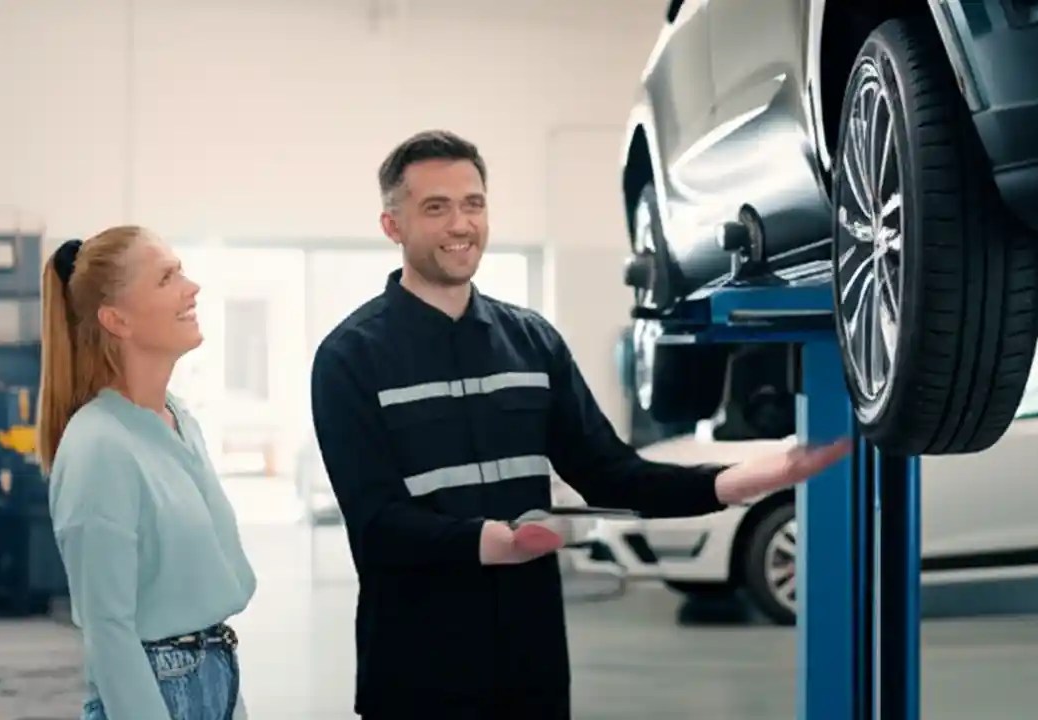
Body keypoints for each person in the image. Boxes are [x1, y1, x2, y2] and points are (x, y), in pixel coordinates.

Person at [308, 130, 850, 719]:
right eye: (435, 208)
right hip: (417, 672)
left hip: (530, 667)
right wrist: (496, 542)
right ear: (393, 225)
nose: (461, 225)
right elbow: (377, 523)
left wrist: (732, 482)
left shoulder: (532, 343)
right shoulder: (349, 359)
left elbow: (608, 472)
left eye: (473, 204)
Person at [38, 225, 257, 720]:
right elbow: (109, 631)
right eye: (167, 278)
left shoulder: (177, 419)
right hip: (155, 689)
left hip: (214, 671)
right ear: (117, 319)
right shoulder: (99, 446)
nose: (191, 287)